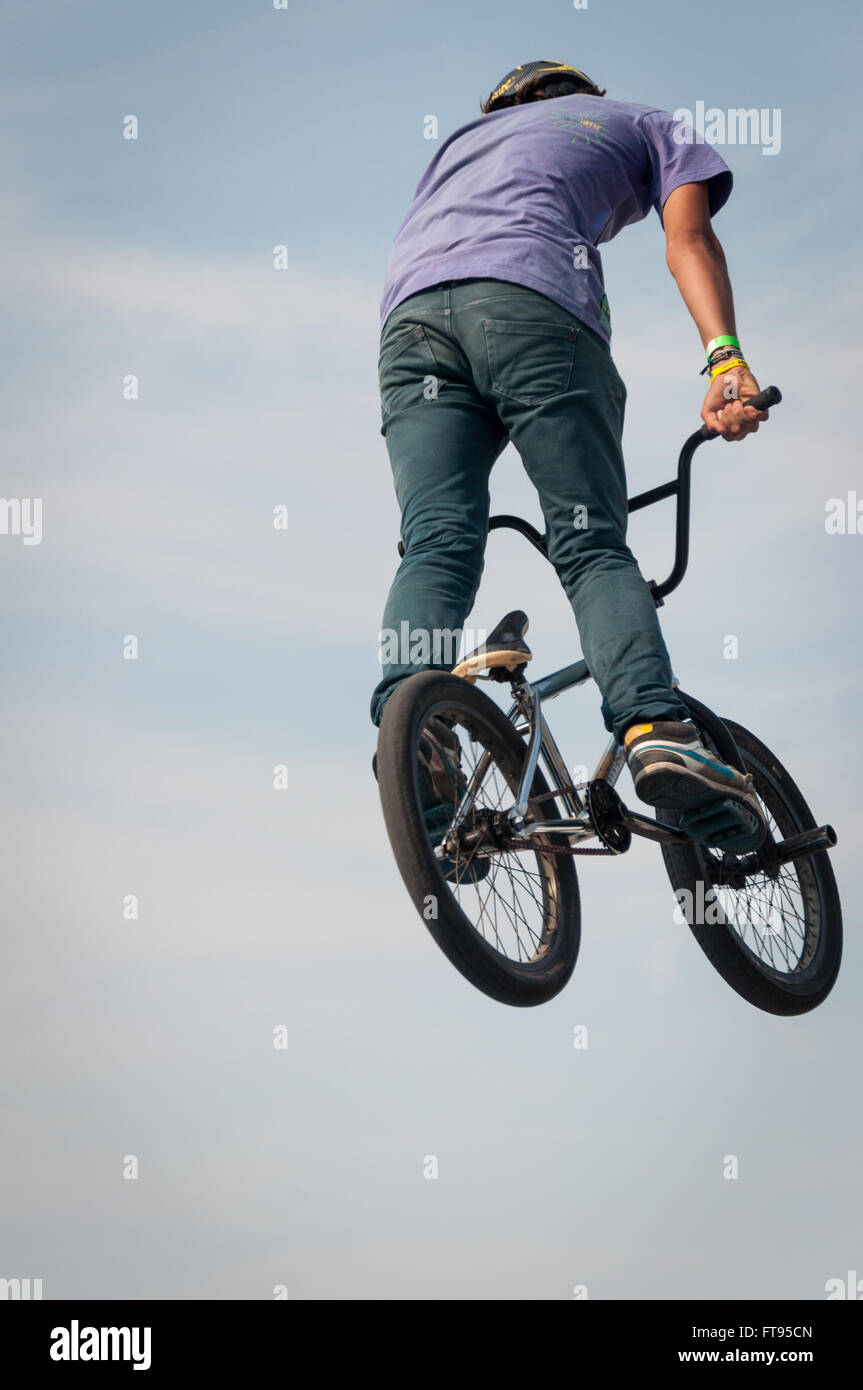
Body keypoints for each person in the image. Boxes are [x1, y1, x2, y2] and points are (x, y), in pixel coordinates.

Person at [371, 60, 769, 850]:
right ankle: (655, 728)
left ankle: (409, 729)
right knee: (589, 544)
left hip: (409, 328)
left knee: (438, 542)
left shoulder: (460, 144)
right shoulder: (646, 122)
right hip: (530, 309)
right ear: (583, 98)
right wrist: (726, 362)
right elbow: (686, 237)